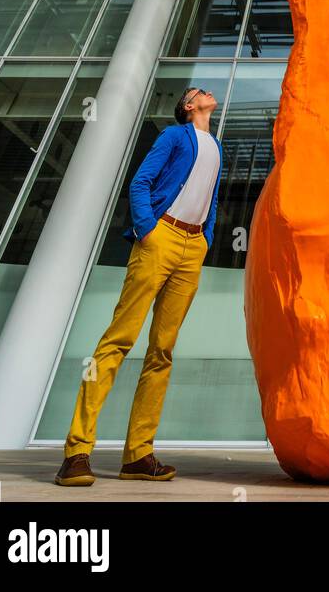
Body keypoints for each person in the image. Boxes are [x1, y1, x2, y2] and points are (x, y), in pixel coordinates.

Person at [54, 87, 222, 486]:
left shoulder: (216, 145)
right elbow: (140, 182)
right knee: (118, 339)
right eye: (199, 91)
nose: (207, 92)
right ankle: (77, 451)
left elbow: (210, 198)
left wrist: (207, 237)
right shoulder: (174, 136)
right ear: (188, 106)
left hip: (192, 245)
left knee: (162, 350)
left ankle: (138, 456)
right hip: (160, 238)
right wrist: (148, 229)